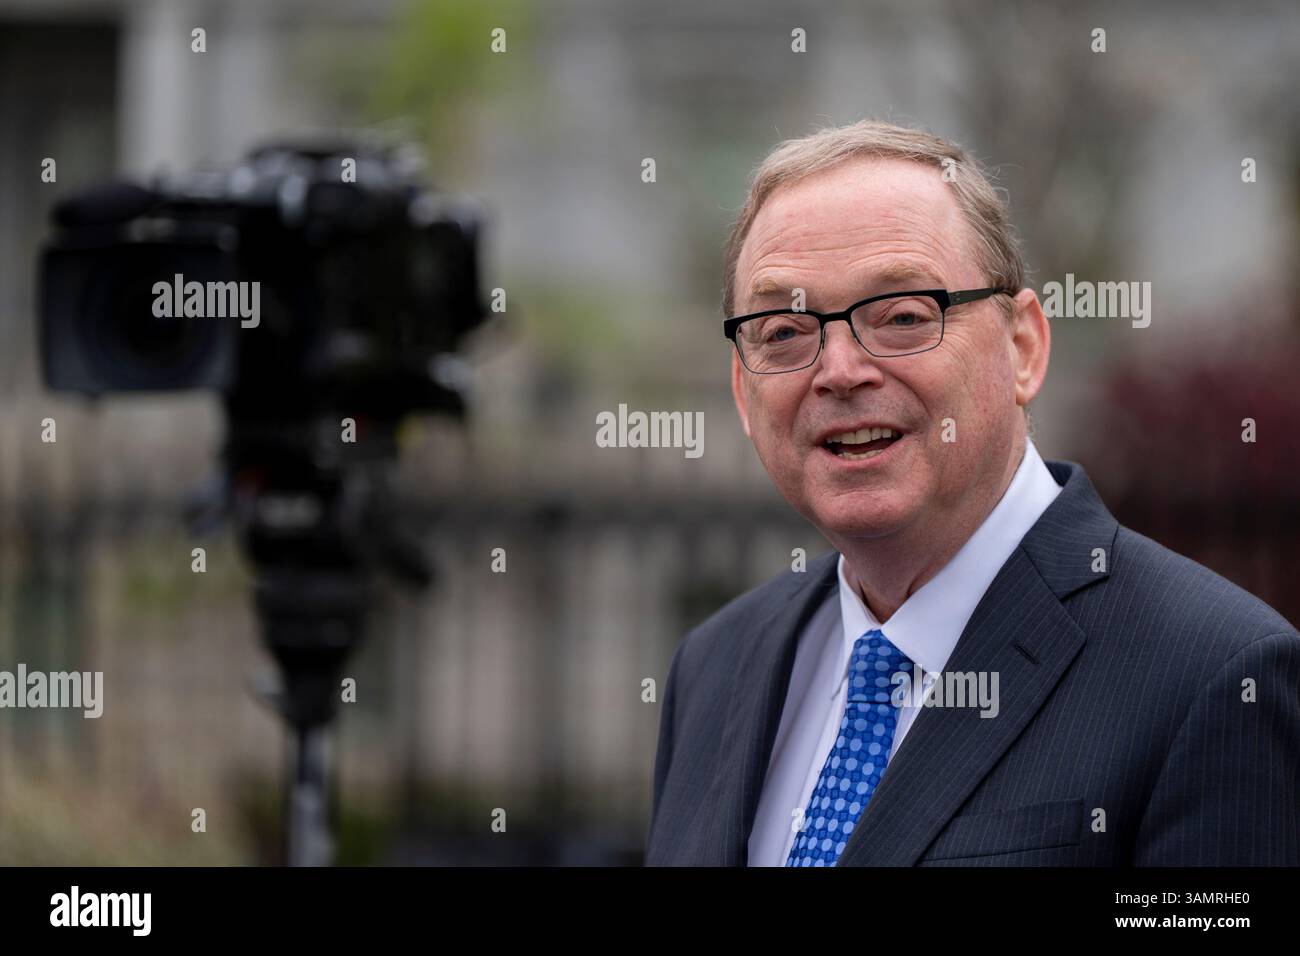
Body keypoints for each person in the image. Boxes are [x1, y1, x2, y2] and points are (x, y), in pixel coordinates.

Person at [644, 119, 1300, 866]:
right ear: (742, 388)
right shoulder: (714, 667)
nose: (839, 370)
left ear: (1022, 348)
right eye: (784, 332)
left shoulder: (1215, 678)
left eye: (901, 317)